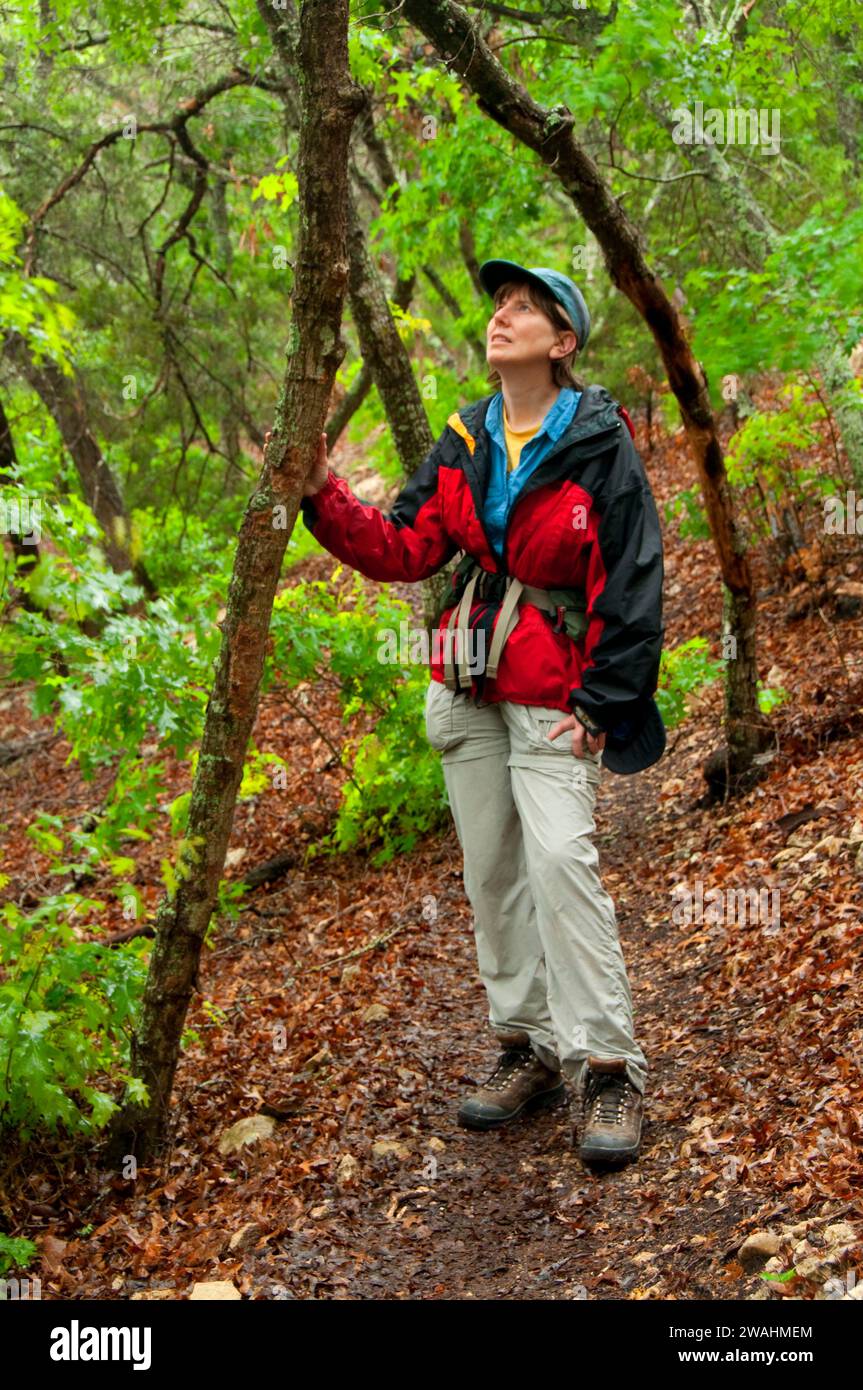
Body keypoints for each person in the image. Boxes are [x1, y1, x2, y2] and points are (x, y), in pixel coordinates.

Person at [299, 258, 665, 1165]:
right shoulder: (464, 437)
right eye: (499, 305)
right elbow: (405, 545)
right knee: (492, 873)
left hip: (554, 689)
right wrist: (321, 492)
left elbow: (633, 574)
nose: (502, 318)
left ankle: (608, 1069)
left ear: (562, 342)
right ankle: (528, 1048)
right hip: (466, 682)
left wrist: (606, 700)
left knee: (561, 864)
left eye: (525, 310)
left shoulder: (596, 441)